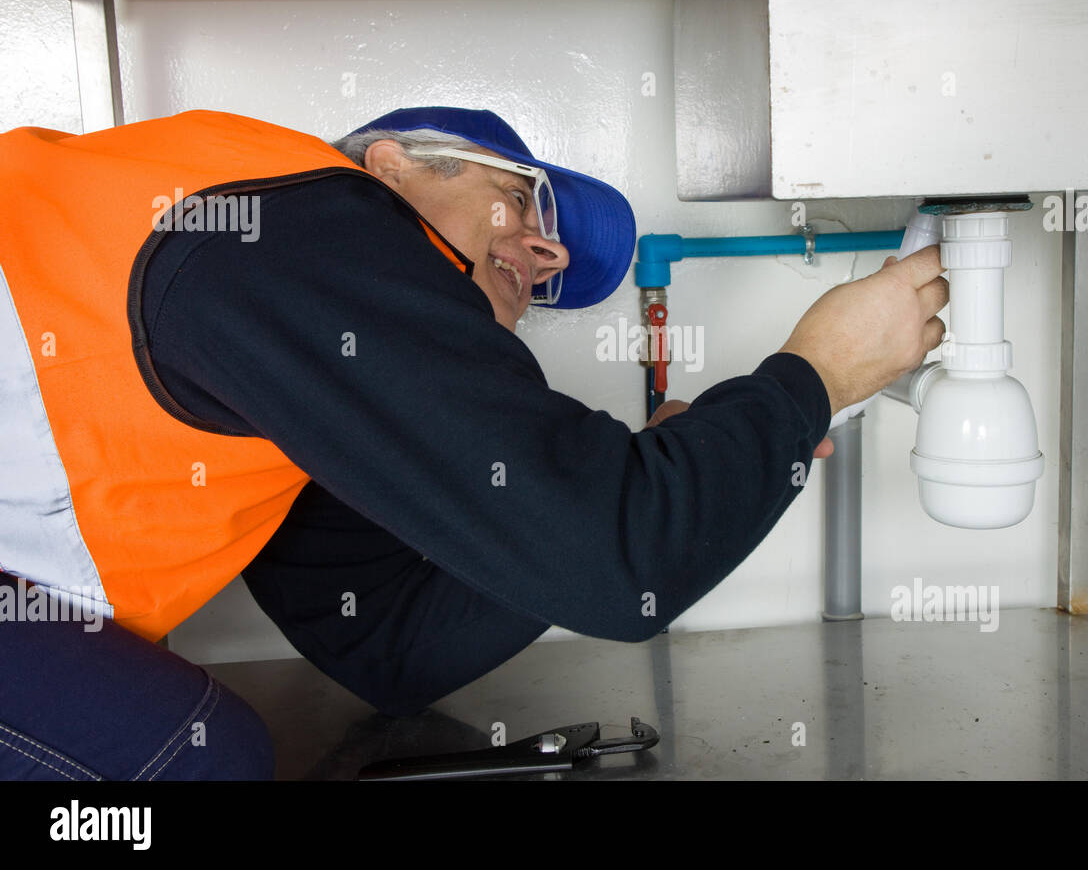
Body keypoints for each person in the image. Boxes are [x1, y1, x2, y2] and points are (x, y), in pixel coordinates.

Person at [0, 106, 947, 780]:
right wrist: (817, 373)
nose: (550, 256)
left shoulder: (295, 350)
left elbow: (387, 646)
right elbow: (622, 563)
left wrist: (632, 486)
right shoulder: (302, 219)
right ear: (389, 168)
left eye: (550, 266)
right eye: (527, 201)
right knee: (188, 759)